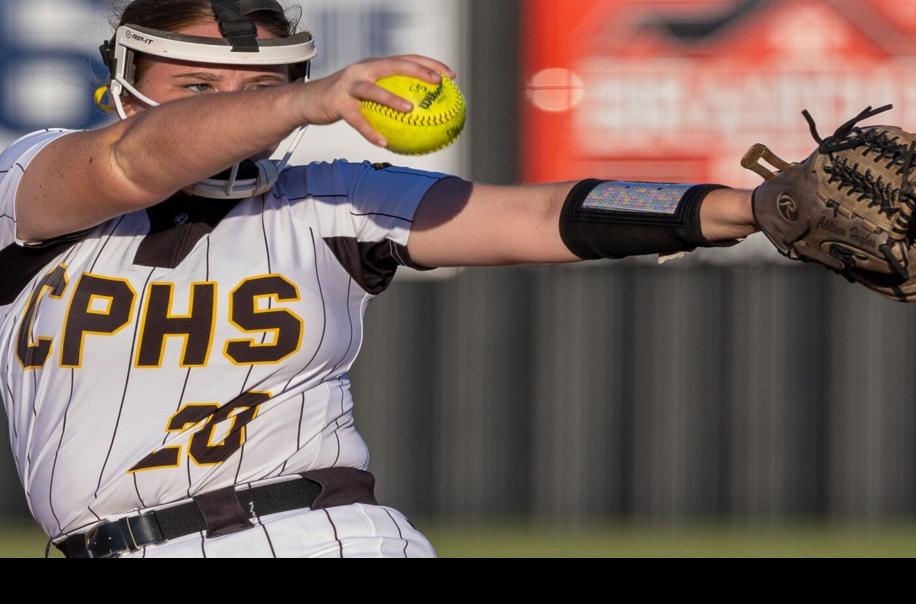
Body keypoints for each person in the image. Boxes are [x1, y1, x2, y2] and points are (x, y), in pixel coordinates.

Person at [0, 0, 757, 558]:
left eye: (259, 89)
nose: (238, 112)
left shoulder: (328, 194)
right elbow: (135, 161)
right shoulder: (34, 177)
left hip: (308, 536)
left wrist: (747, 208)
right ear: (122, 83)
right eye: (196, 86)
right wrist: (302, 98)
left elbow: (540, 213)